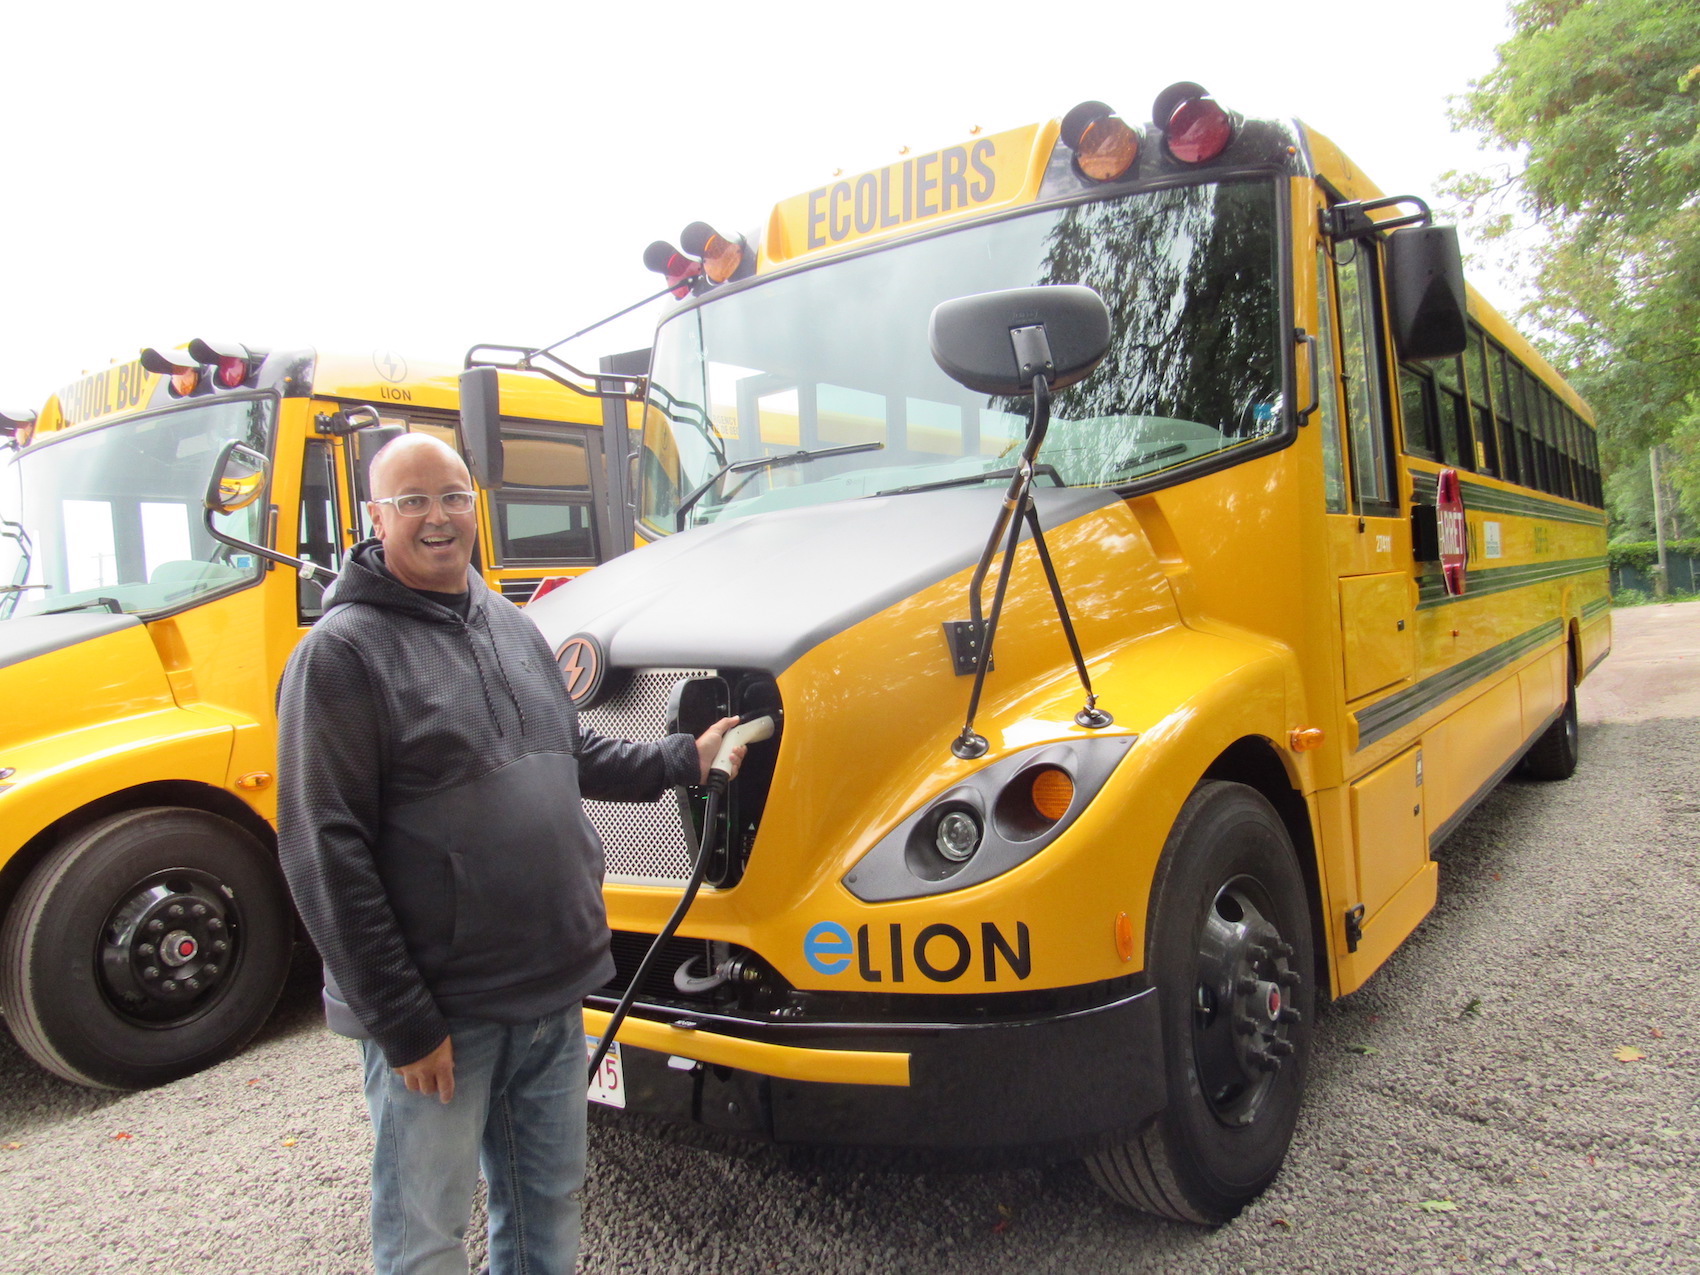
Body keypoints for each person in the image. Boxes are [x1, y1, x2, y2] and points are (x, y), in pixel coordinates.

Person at [276, 433, 741, 1275]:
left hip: (550, 993)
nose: (438, 517)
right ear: (376, 517)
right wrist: (403, 1020)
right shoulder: (340, 656)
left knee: (544, 1205)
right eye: (412, 501)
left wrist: (684, 759)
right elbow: (322, 850)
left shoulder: (508, 621)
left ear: (475, 507)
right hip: (442, 1014)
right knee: (424, 1234)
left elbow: (572, 748)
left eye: (452, 496)